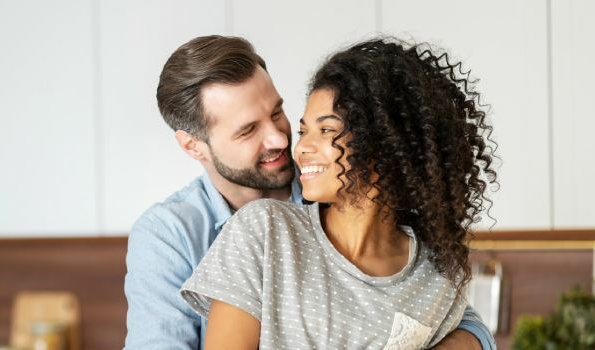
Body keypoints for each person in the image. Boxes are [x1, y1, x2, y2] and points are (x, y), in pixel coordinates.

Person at [124, 35, 495, 349]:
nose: (281, 139)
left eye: (277, 113)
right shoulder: (172, 234)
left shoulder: (352, 202)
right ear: (194, 146)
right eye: (248, 130)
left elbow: (464, 323)